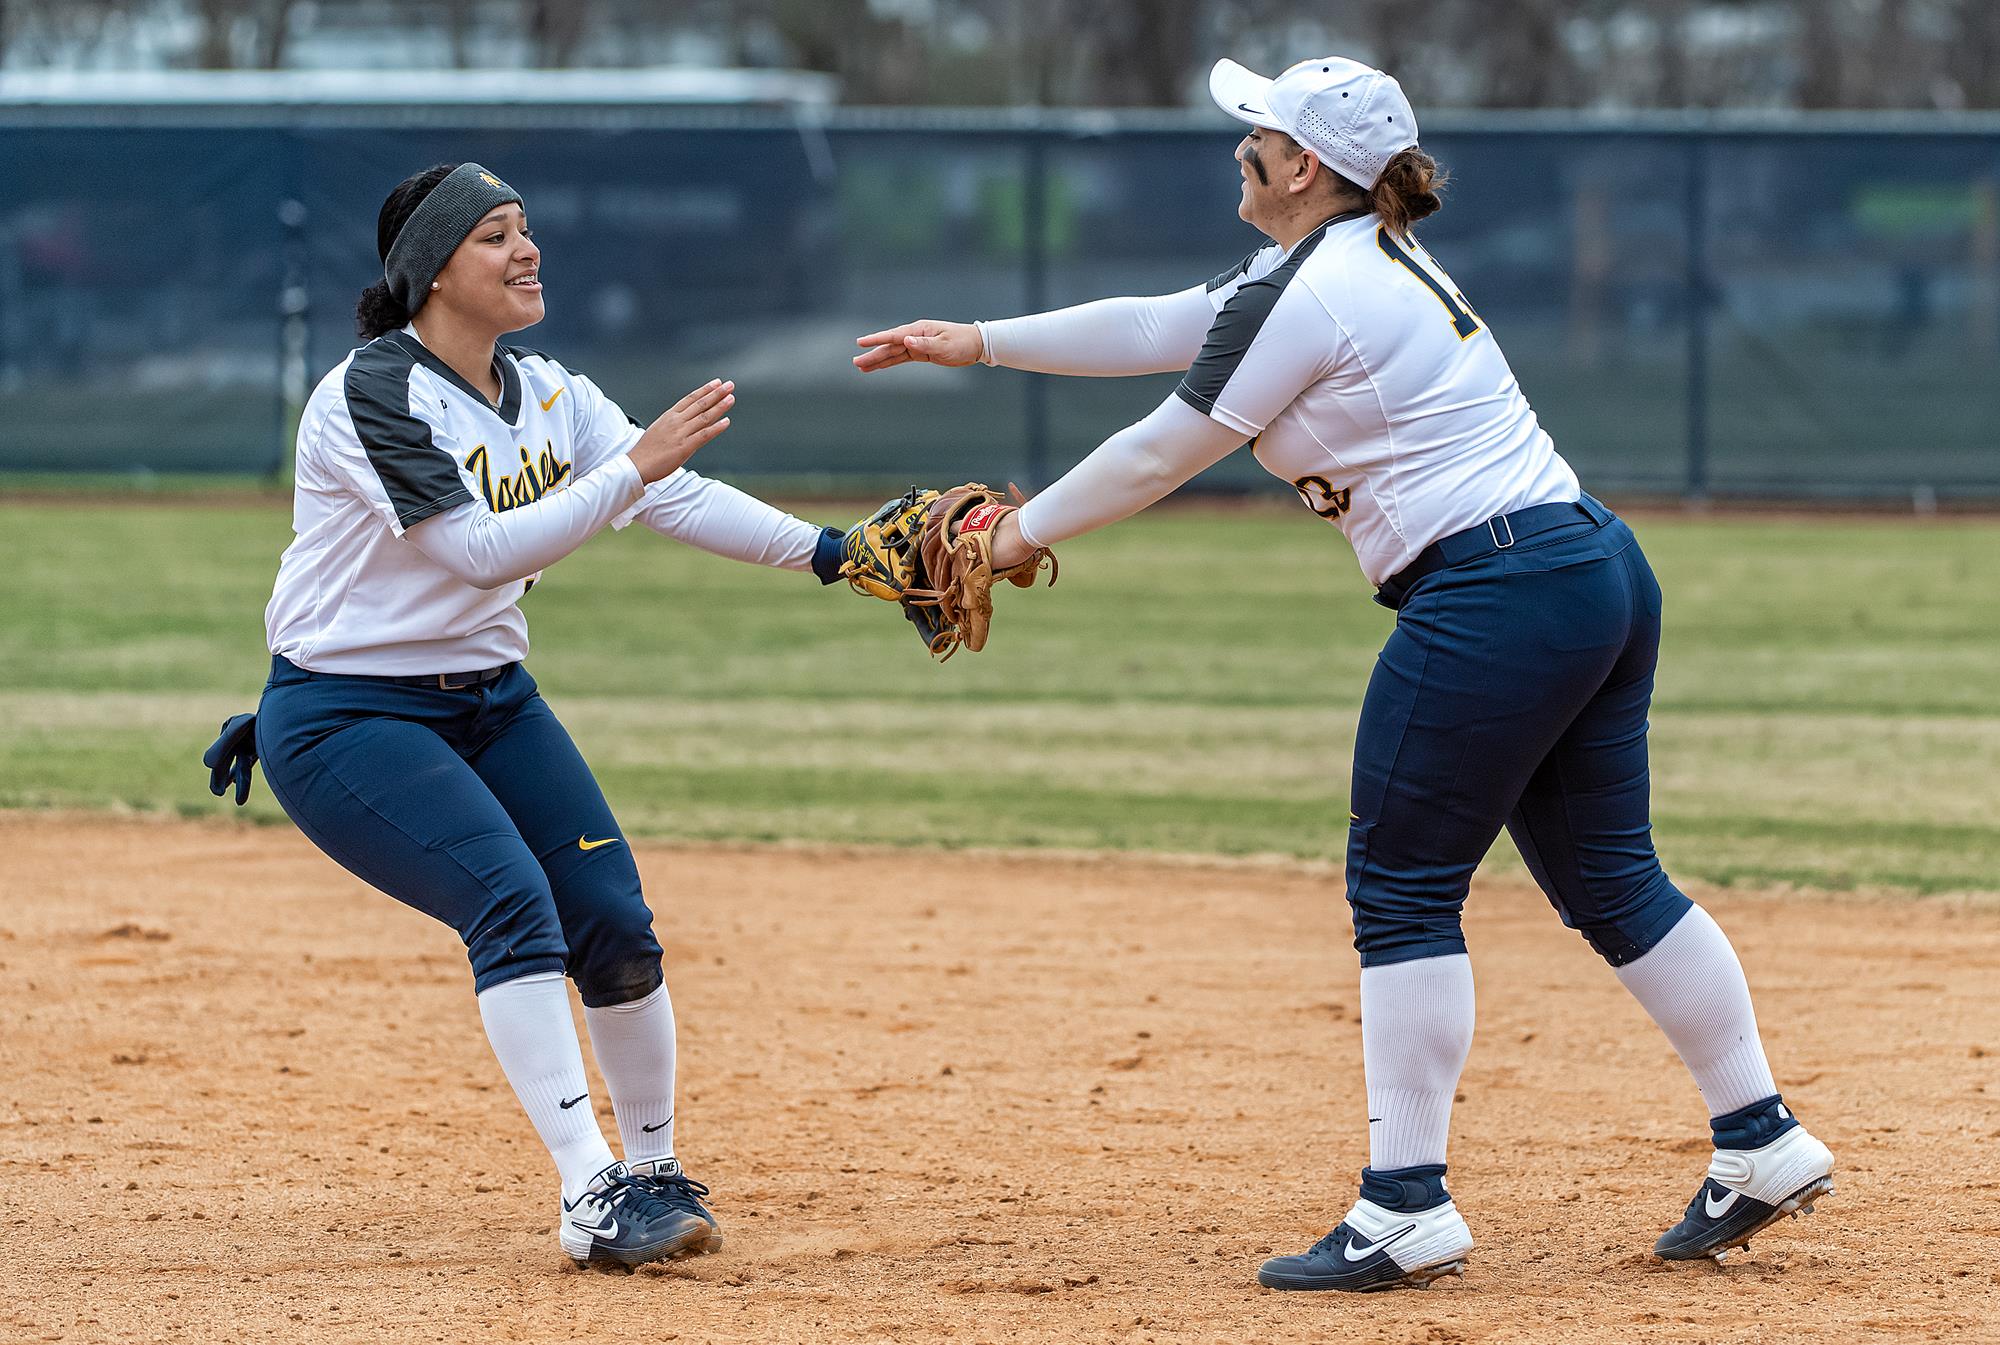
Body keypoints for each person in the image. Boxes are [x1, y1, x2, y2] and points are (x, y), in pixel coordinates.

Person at [853, 58, 1834, 1292]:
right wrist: (979, 342)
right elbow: (1158, 325)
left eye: (1255, 134)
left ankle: (1403, 1203)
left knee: (1403, 888)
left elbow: (1163, 449)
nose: (1239, 147)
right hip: (1581, 565)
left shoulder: (1314, 289)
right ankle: (1759, 1136)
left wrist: (1010, 536)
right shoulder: (1336, 261)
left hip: (1496, 590)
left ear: (1302, 165)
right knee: (1608, 878)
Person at [203, 162, 853, 1271]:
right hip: (348, 715)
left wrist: (836, 553)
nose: (527, 249)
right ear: (431, 271)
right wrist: (632, 469)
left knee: (611, 918)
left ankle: (653, 1172)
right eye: (495, 234)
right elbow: (479, 552)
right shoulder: (370, 394)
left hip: (492, 700)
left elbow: (675, 495)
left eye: (524, 227)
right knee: (511, 903)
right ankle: (589, 1192)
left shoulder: (548, 390)